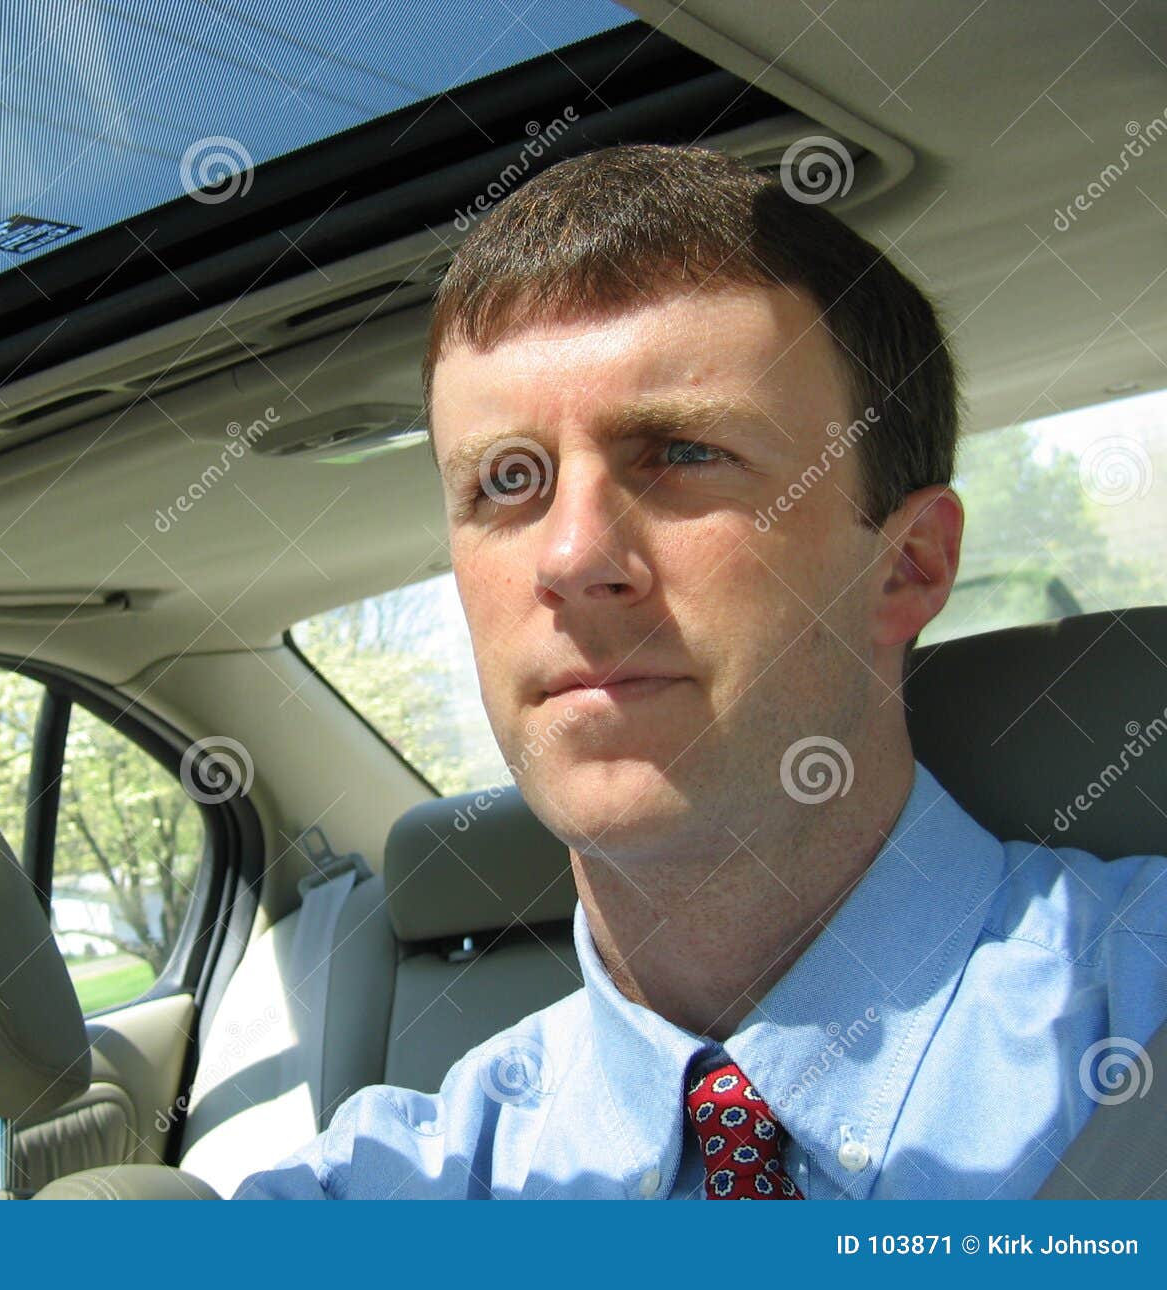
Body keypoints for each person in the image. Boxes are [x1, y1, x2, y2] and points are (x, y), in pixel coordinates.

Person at [235, 144, 1167, 1199]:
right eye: (505, 483)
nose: (571, 558)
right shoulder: (404, 1182)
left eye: (679, 455)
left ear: (905, 567)